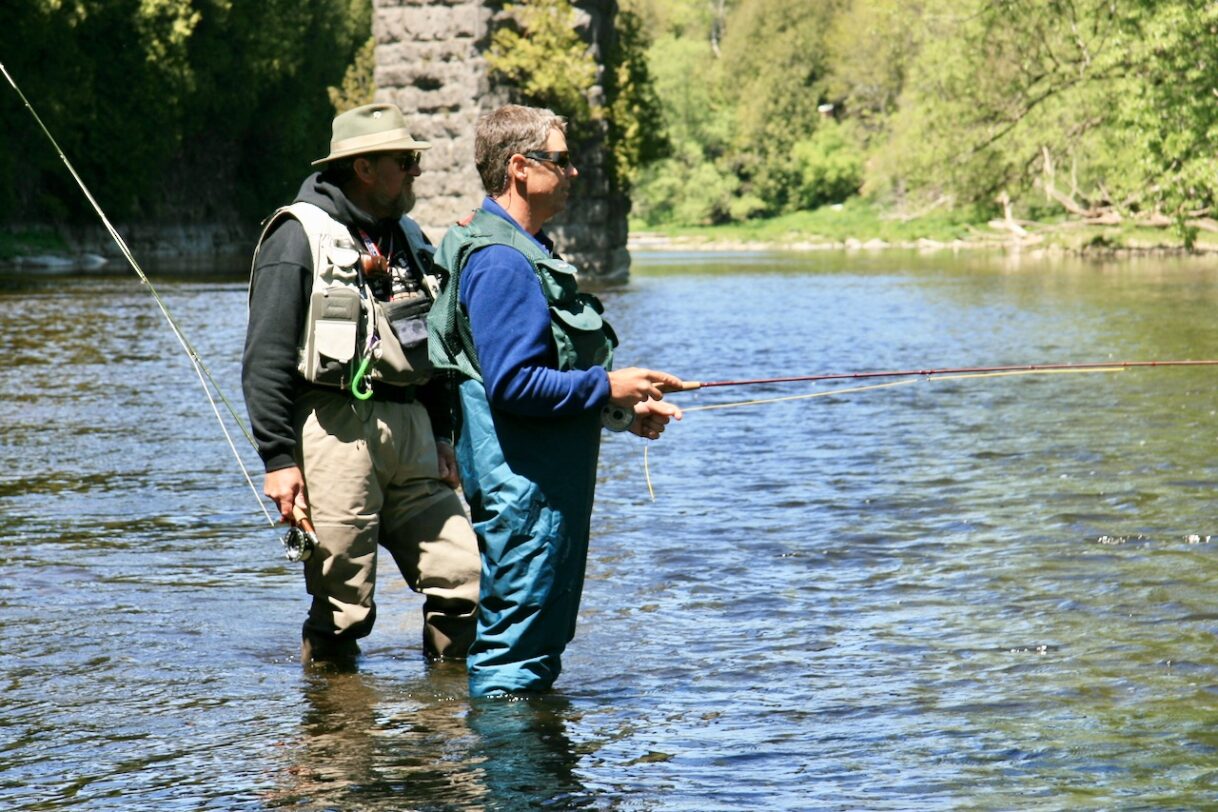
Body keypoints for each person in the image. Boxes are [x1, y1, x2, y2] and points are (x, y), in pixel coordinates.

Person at [428, 104, 684, 696]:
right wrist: (609, 385)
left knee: (534, 652)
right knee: (513, 664)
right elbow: (514, 384)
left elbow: (548, 377)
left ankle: (535, 786)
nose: (573, 174)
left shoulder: (520, 248)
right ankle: (513, 785)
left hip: (539, 492)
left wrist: (621, 411)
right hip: (526, 499)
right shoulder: (501, 262)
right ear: (519, 167)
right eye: (561, 161)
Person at [242, 102, 480, 666]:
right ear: (364, 168)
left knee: (464, 578)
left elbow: (439, 348)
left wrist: (444, 434)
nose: (417, 170)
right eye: (405, 160)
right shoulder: (297, 235)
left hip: (415, 432)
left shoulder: (412, 238)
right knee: (343, 606)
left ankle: (447, 723)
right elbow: (266, 358)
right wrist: (279, 460)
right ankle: (333, 735)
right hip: (334, 432)